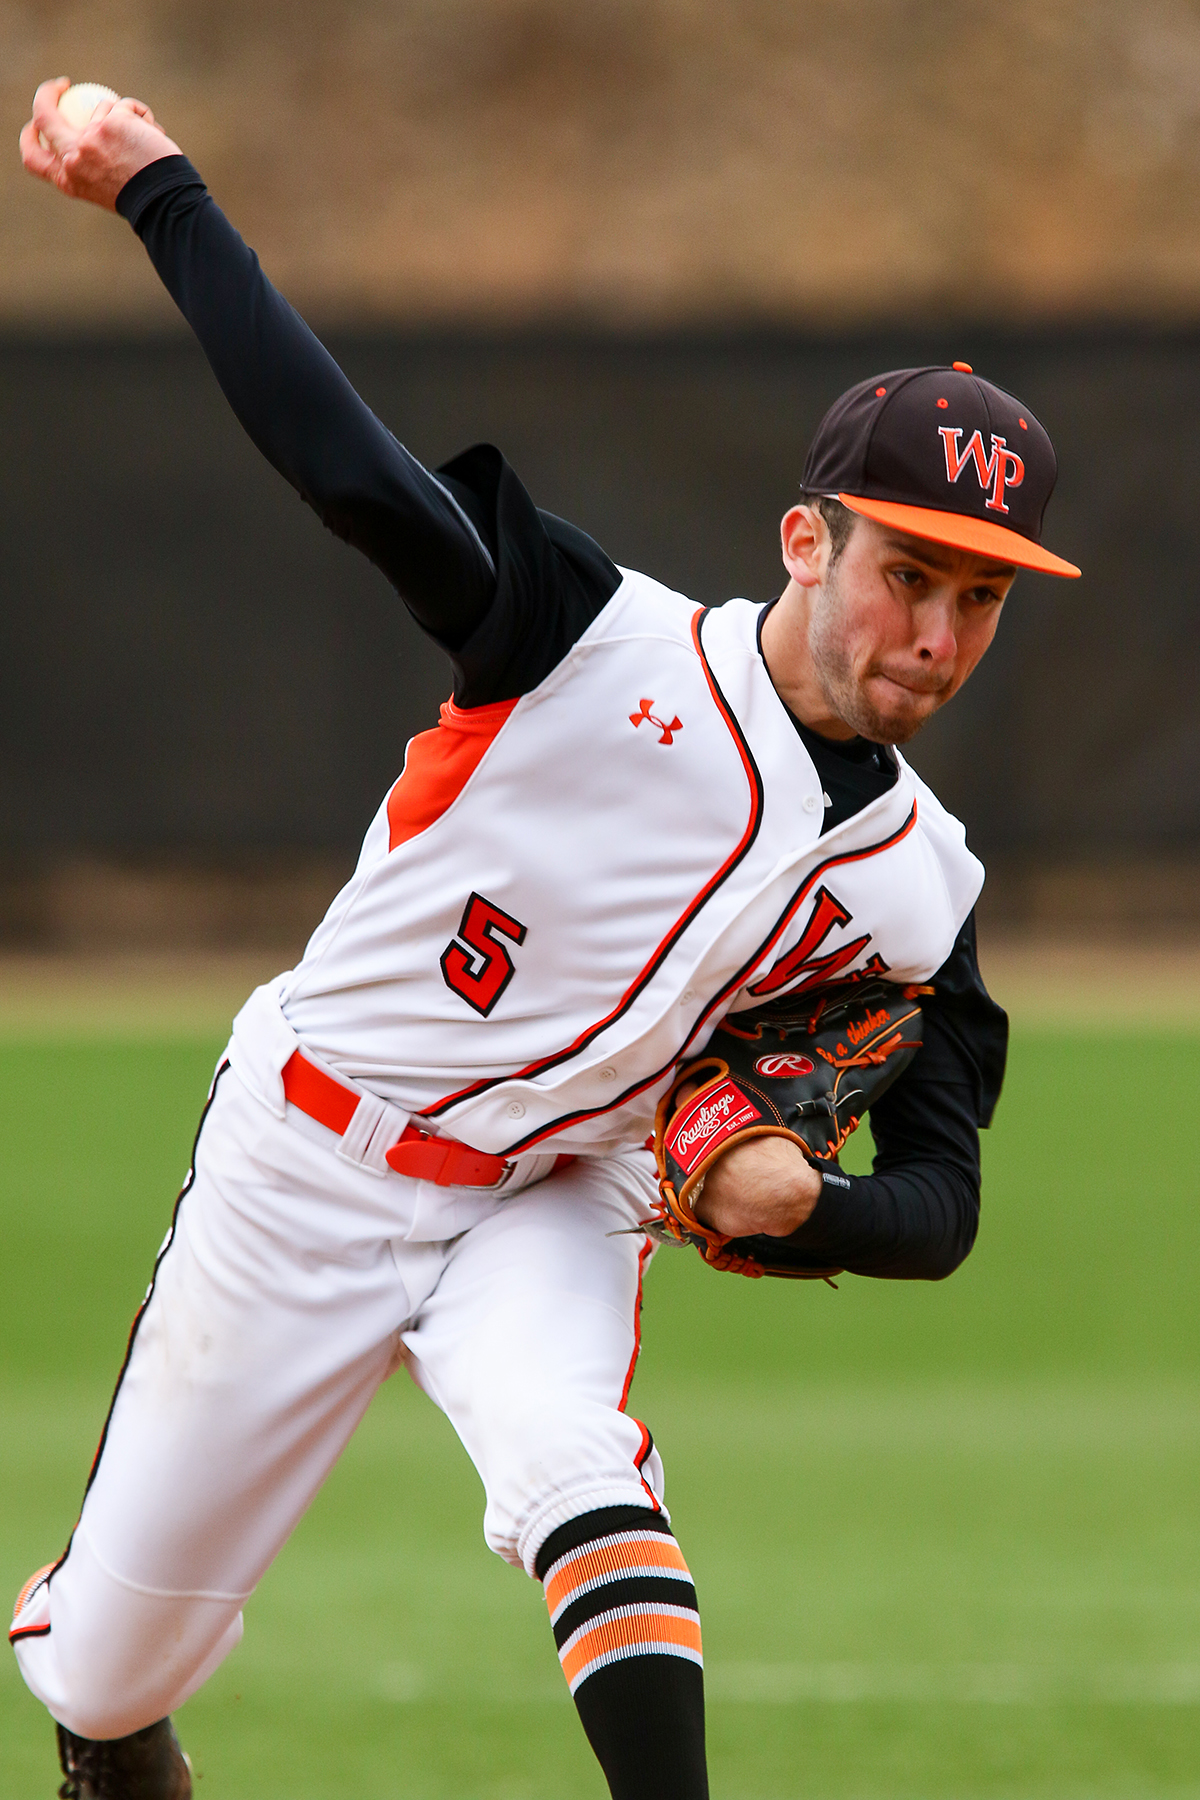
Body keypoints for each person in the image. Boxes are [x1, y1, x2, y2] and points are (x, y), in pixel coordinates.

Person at [14, 80, 1080, 1800]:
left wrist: (817, 1215)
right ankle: (116, 1731)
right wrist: (163, 196)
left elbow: (942, 1206)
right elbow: (345, 467)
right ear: (806, 540)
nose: (941, 632)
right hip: (307, 1150)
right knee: (113, 1668)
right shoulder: (591, 638)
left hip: (553, 1194)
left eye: (984, 595)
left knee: (582, 1465)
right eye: (910, 572)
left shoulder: (923, 888)